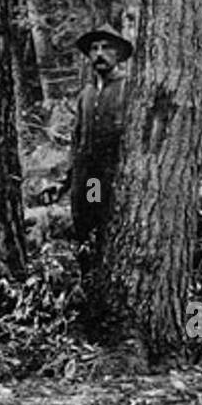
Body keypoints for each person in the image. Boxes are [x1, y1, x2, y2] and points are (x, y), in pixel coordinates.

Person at [68, 24, 132, 247]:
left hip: (116, 175)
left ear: (118, 54)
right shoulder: (86, 94)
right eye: (94, 49)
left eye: (106, 47)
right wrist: (66, 179)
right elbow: (76, 138)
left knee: (110, 229)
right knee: (86, 226)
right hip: (89, 177)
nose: (99, 54)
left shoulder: (129, 88)